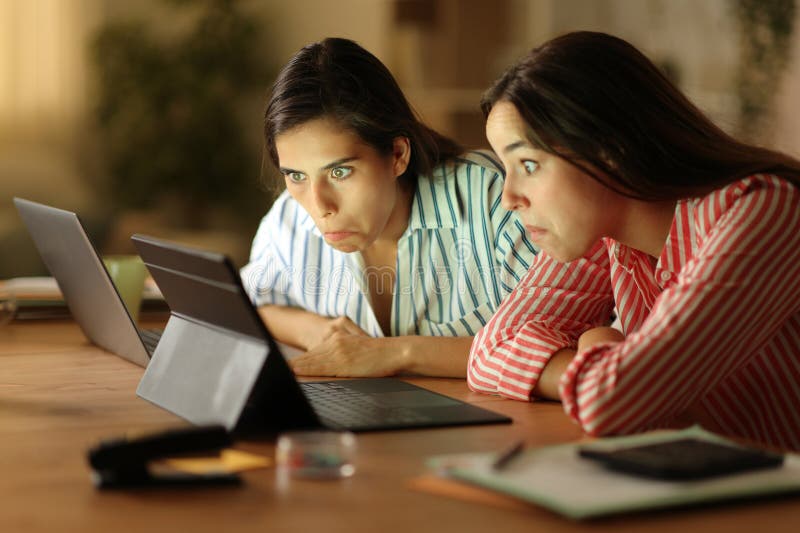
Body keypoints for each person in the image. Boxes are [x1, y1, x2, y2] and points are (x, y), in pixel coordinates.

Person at [469, 31, 800, 451]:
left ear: (611, 150)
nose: (508, 197)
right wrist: (607, 364)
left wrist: (598, 341)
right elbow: (488, 351)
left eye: (529, 164)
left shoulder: (764, 209)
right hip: (708, 491)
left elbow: (611, 402)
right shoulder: (601, 230)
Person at [240, 38, 537, 378]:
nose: (319, 205)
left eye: (340, 172)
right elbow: (250, 303)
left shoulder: (494, 198)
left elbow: (555, 337)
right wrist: (318, 332)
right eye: (296, 176)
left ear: (397, 155)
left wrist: (397, 354)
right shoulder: (288, 218)